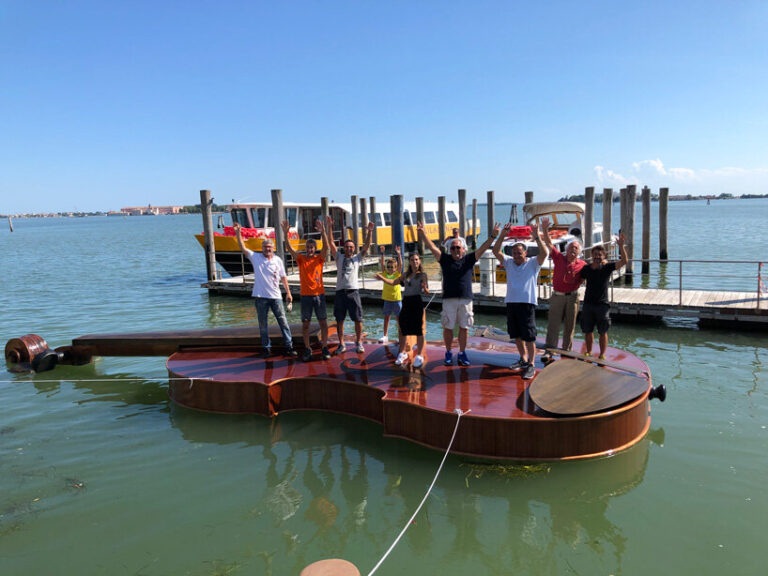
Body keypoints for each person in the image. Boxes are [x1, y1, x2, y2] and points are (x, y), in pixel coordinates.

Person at [419, 220, 500, 366]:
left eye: (458, 248)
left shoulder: (469, 259)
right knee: (448, 327)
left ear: (463, 249)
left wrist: (493, 237)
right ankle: (449, 352)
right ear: (450, 250)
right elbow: (431, 247)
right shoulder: (445, 260)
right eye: (453, 248)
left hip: (465, 299)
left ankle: (462, 353)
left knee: (464, 327)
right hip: (449, 299)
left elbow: (483, 248)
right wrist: (423, 234)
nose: (456, 250)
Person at [492, 221, 549, 379]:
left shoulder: (533, 264)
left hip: (527, 304)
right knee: (516, 335)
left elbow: (544, 253)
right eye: (515, 252)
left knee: (529, 337)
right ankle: (523, 359)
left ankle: (531, 364)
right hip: (511, 303)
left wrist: (537, 236)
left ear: (526, 253)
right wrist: (502, 235)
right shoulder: (509, 262)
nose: (517, 255)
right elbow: (496, 251)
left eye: (520, 252)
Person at [234, 223, 297, 357]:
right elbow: (242, 247)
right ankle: (266, 347)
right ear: (262, 248)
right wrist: (238, 233)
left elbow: (284, 278)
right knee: (263, 325)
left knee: (283, 322)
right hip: (260, 296)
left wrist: (289, 293)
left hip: (276, 297)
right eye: (265, 247)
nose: (267, 249)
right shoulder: (256, 257)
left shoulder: (278, 260)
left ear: (273, 248)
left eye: (269, 247)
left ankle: (289, 346)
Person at [280, 218, 331, 361]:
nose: (310, 250)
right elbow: (289, 248)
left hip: (319, 295)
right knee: (306, 324)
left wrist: (323, 232)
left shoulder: (319, 259)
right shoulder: (301, 259)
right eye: (308, 247)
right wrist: (286, 233)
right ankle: (307, 348)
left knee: (323, 322)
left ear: (315, 249)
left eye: (312, 247)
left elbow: (326, 247)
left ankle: (324, 347)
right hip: (305, 297)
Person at [325, 217, 375, 354]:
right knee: (339, 320)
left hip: (354, 292)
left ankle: (358, 342)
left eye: (351, 247)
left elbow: (366, 246)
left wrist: (370, 232)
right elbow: (330, 242)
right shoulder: (339, 257)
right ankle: (342, 344)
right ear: (344, 248)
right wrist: (329, 226)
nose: (349, 249)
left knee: (358, 319)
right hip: (341, 293)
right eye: (347, 247)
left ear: (354, 249)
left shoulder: (357, 258)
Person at [540, 220, 586, 363]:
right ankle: (550, 350)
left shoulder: (583, 265)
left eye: (576, 248)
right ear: (567, 249)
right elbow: (548, 244)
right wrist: (545, 229)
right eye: (571, 247)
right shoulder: (559, 257)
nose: (573, 250)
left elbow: (593, 272)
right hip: (557, 296)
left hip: (573, 297)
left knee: (570, 325)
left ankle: (566, 351)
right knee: (553, 324)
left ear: (579, 252)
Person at [375, 252, 429, 368]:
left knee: (418, 329)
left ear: (419, 261)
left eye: (416, 259)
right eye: (412, 260)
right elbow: (393, 282)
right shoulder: (405, 275)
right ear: (409, 262)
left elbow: (426, 288)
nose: (414, 262)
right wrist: (382, 278)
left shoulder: (422, 275)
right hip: (406, 301)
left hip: (417, 301)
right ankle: (402, 352)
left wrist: (425, 288)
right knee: (403, 329)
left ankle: (419, 355)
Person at [579, 235, 628, 359]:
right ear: (592, 255)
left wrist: (621, 246)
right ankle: (588, 351)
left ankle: (602, 354)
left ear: (604, 256)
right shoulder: (586, 269)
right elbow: (578, 278)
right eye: (595, 254)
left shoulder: (607, 268)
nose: (597, 257)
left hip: (602, 305)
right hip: (588, 304)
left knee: (603, 332)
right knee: (588, 331)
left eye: (600, 255)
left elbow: (624, 261)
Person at [377, 244, 402, 344]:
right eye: (389, 267)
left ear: (395, 268)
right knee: (386, 317)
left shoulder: (397, 274)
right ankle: (385, 335)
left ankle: (400, 336)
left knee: (398, 318)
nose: (390, 268)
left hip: (397, 299)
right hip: (387, 299)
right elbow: (382, 265)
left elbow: (401, 265)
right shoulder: (385, 274)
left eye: (392, 267)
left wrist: (399, 255)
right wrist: (382, 254)